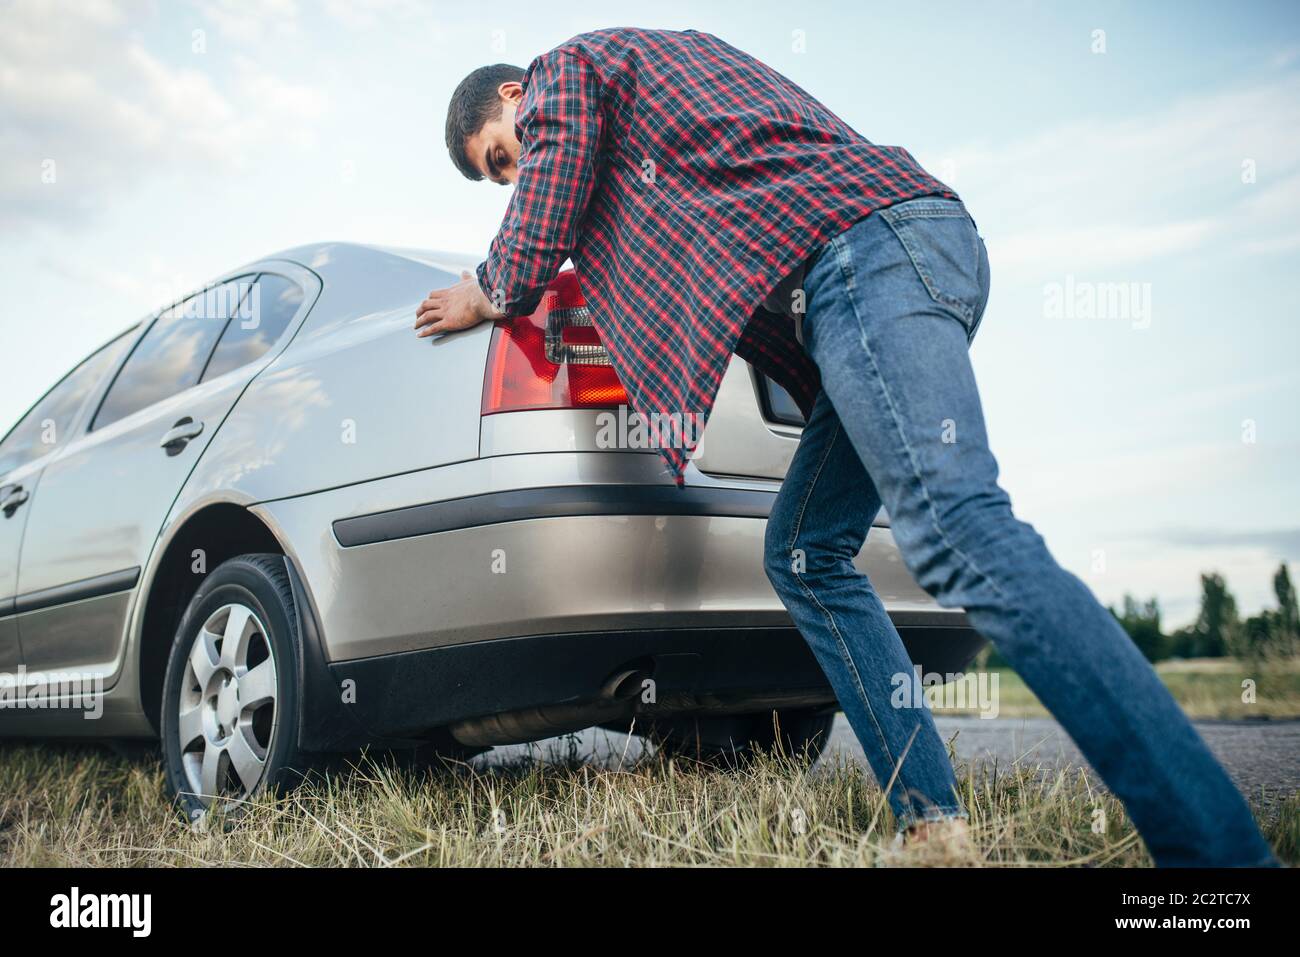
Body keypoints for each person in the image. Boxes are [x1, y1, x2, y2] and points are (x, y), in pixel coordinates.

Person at [417, 27, 1277, 867]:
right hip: (872, 275)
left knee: (957, 531)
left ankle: (1220, 857)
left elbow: (551, 190)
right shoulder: (640, 122)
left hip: (867, 255)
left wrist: (492, 289)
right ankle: (934, 827)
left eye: (501, 156)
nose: (515, 176)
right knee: (802, 551)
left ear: (514, 98)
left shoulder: (567, 72)